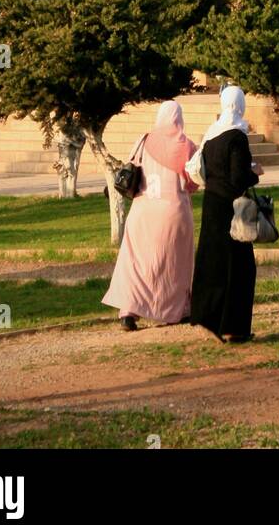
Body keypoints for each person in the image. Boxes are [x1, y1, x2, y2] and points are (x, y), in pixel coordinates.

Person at [102, 101, 199, 330]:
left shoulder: (144, 140)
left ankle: (128, 311)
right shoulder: (186, 147)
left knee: (135, 264)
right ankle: (177, 311)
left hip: (143, 212)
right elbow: (193, 182)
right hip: (174, 214)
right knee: (175, 265)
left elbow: (132, 169)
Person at [190, 85, 264, 343]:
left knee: (214, 264)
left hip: (212, 206)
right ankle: (234, 327)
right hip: (232, 211)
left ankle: (210, 316)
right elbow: (237, 177)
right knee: (239, 268)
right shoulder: (236, 136)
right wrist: (255, 173)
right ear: (240, 105)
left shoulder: (211, 135)